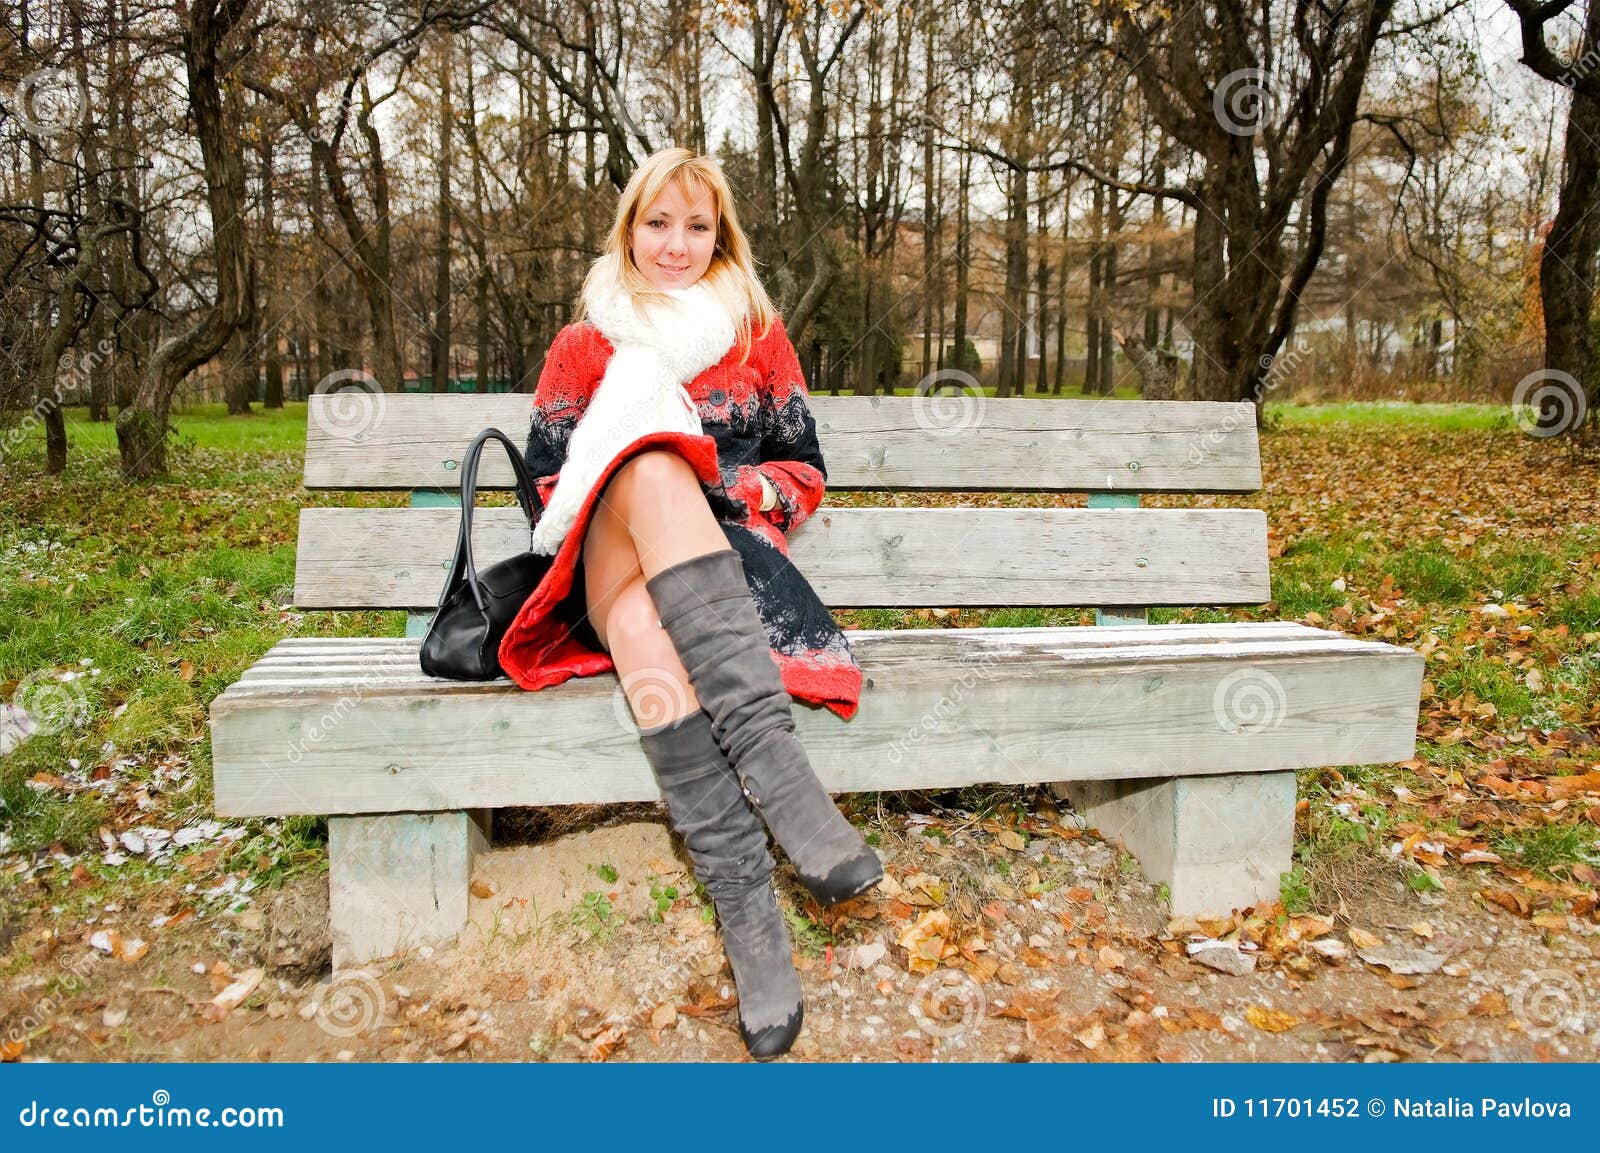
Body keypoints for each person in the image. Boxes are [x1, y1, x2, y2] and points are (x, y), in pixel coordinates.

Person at [494, 147, 884, 1060]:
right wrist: (660, 473)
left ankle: (748, 905)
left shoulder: (755, 332)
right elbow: (548, 489)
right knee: (650, 451)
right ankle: (791, 799)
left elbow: (805, 471)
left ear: (722, 236)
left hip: (713, 581)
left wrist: (716, 498)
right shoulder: (585, 341)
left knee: (643, 621)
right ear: (630, 228)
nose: (675, 243)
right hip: (601, 558)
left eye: (697, 225)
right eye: (657, 222)